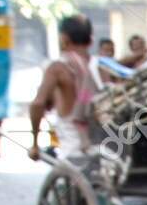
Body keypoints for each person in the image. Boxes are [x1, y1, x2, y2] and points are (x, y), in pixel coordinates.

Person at [28, 13, 99, 161]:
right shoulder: (102, 66)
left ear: (64, 38)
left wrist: (34, 144)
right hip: (105, 145)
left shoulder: (58, 68)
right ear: (91, 39)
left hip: (73, 148)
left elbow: (38, 104)